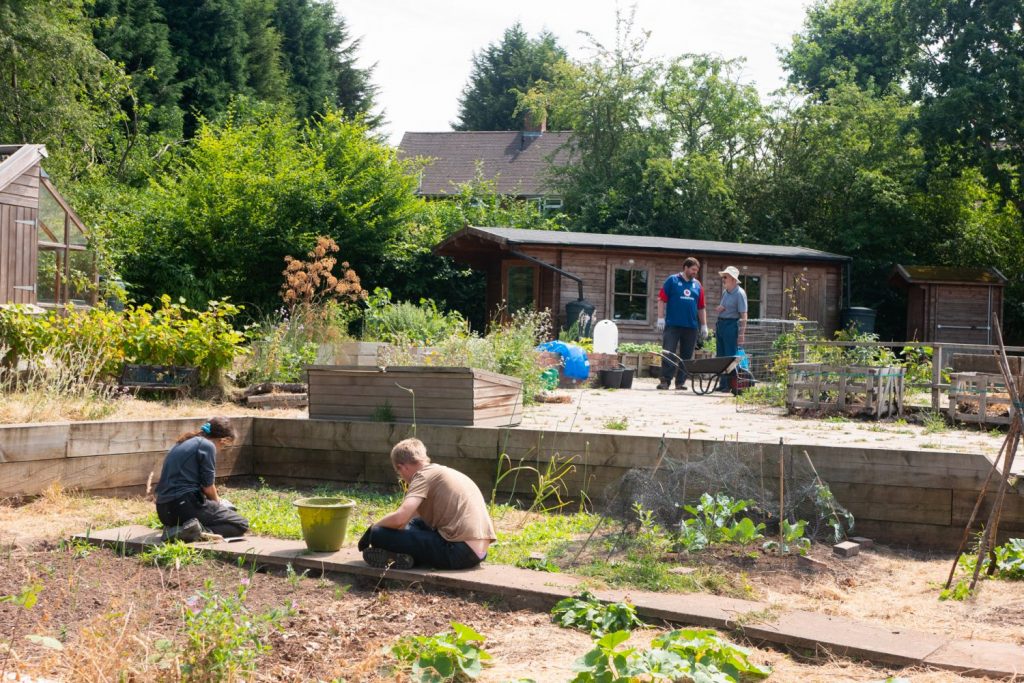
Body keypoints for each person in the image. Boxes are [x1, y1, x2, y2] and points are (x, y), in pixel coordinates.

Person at [358, 437, 496, 570]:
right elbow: (409, 519)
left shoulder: (422, 477)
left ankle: (396, 557)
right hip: (478, 553)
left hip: (457, 552)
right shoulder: (444, 472)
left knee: (379, 534)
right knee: (415, 523)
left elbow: (400, 518)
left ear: (402, 467)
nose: (402, 479)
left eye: (398, 473)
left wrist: (373, 528)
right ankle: (406, 557)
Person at [154, 417, 249, 542]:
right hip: (183, 506)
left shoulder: (184, 442)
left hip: (164, 511)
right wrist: (219, 504)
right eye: (225, 446)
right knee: (240, 524)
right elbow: (208, 487)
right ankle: (194, 532)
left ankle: (179, 528)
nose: (221, 450)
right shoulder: (207, 445)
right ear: (224, 440)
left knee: (222, 516)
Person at [656, 257, 709, 390]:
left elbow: (701, 307)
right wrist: (660, 318)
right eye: (693, 270)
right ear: (685, 268)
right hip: (672, 325)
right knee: (668, 353)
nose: (695, 273)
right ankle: (665, 381)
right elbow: (661, 299)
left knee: (686, 356)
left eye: (697, 270)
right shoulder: (672, 280)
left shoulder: (697, 285)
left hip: (691, 326)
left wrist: (704, 325)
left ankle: (680, 382)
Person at [715, 266, 749, 392]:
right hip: (721, 324)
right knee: (721, 356)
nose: (723, 279)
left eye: (726, 277)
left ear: (734, 279)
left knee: (730, 356)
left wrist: (741, 334)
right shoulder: (726, 292)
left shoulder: (740, 293)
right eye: (723, 277)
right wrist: (721, 308)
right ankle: (723, 384)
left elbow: (744, 315)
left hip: (731, 326)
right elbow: (727, 307)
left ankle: (731, 384)